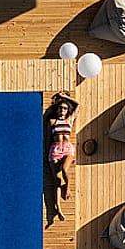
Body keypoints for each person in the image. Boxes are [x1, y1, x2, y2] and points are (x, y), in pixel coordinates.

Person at [46, 92, 79, 220]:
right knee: (57, 181)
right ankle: (58, 208)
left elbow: (78, 105)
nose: (62, 110)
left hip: (67, 149)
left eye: (65, 108)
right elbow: (48, 138)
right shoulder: (52, 121)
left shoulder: (69, 120)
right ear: (57, 109)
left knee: (65, 170)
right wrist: (46, 154)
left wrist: (64, 97)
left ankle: (67, 188)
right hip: (55, 149)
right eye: (60, 108)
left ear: (67, 110)